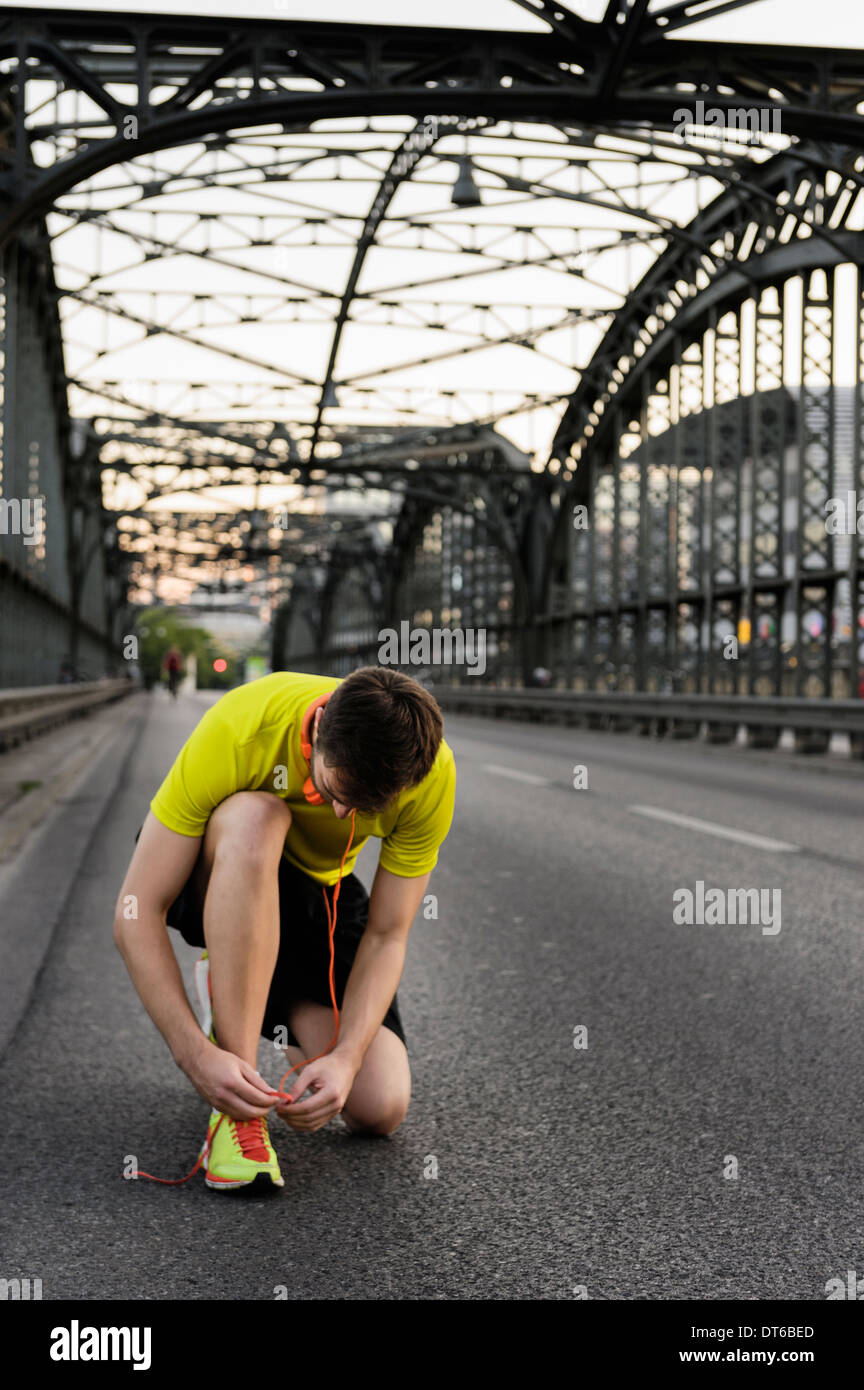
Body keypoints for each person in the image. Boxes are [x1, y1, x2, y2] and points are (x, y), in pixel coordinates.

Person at [113, 667, 456, 1192]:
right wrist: (196, 1058)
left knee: (377, 1106)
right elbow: (134, 914)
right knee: (257, 813)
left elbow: (388, 935)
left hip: (321, 897)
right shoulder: (240, 726)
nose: (343, 813)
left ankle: (241, 988)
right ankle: (237, 1114)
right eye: (333, 790)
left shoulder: (430, 774)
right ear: (318, 728)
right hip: (223, 871)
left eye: (364, 808)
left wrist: (345, 1060)